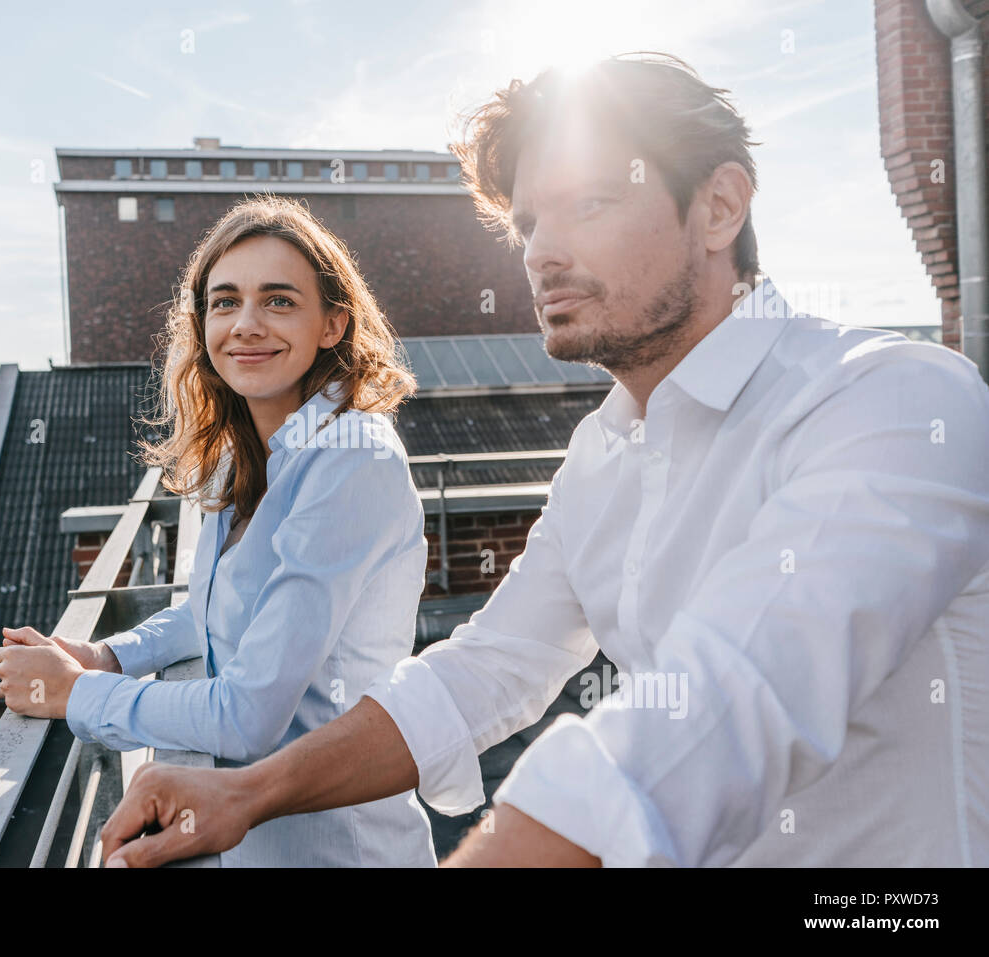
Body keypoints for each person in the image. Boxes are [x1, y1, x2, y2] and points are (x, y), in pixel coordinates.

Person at [98, 53, 989, 868]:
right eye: (528, 223)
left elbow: (728, 698)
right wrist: (244, 794)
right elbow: (483, 669)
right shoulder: (606, 452)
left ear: (719, 207)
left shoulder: (894, 399)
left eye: (591, 204)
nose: (542, 253)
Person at [0, 195, 437, 866]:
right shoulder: (245, 454)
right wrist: (106, 655)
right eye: (224, 302)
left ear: (333, 324)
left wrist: (74, 692)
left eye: (279, 301)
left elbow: (249, 715)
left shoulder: (352, 457)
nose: (246, 325)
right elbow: (206, 615)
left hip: (342, 851)